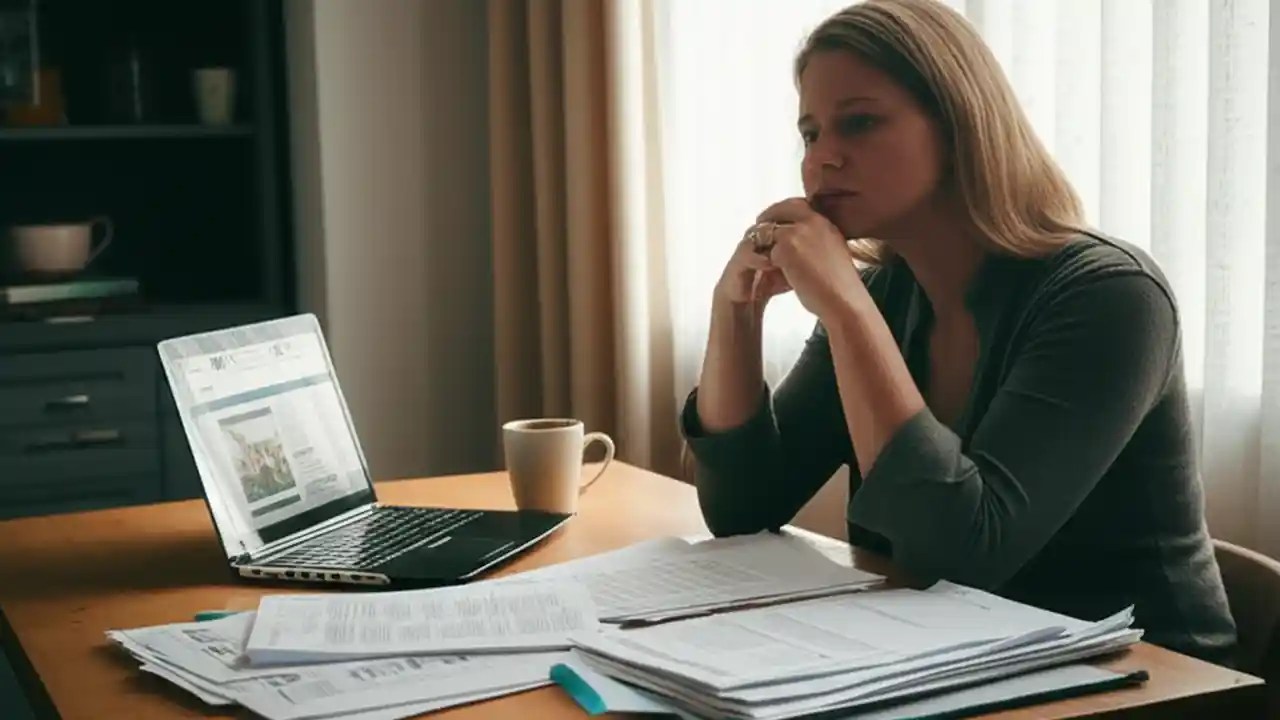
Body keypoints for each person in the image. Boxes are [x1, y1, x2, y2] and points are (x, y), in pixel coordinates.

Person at [679, 0, 1238, 666]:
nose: (821, 160)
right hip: (955, 660)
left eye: (858, 123)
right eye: (809, 133)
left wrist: (846, 308)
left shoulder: (1110, 297)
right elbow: (742, 508)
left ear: (959, 128)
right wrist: (733, 310)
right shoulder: (888, 291)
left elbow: (965, 552)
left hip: (1148, 680)